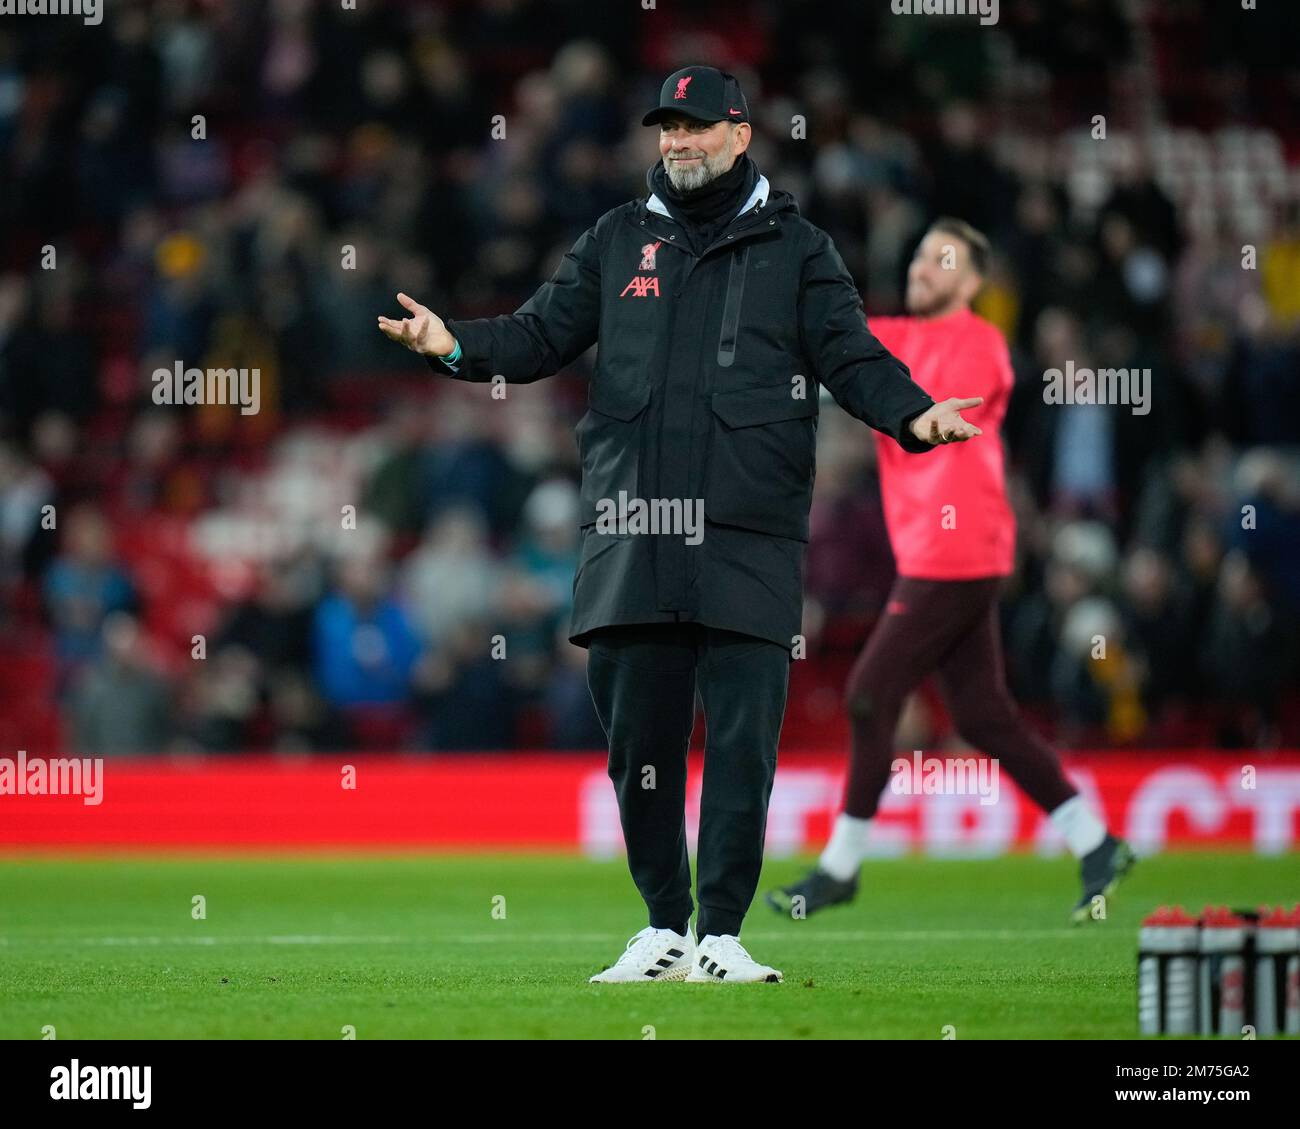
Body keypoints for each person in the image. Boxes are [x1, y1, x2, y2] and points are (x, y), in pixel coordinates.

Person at [379, 67, 983, 983]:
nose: (678, 143)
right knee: (640, 750)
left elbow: (853, 356)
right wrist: (454, 344)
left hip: (749, 530)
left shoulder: (799, 248)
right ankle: (663, 925)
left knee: (743, 742)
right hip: (631, 529)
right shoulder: (617, 238)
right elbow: (539, 335)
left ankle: (724, 935)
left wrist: (914, 413)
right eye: (667, 128)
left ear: (741, 136)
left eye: (696, 128)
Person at [765, 219, 1135, 925]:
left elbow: (904, 390)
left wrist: (849, 366)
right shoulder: (889, 335)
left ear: (972, 282)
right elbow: (826, 350)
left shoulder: (982, 345)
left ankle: (840, 866)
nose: (921, 268)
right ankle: (1097, 841)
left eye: (943, 259)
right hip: (942, 553)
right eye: (917, 256)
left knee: (871, 693)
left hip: (959, 547)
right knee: (983, 715)